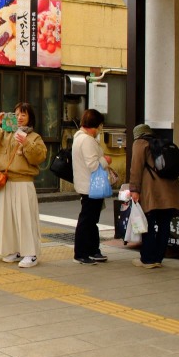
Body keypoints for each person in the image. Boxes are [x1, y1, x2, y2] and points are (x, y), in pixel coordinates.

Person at [0, 102, 48, 268]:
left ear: (30, 118)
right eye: (17, 114)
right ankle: (14, 249)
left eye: (23, 115)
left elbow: (39, 157)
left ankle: (30, 253)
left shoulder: (34, 137)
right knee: (8, 219)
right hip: (5, 181)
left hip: (23, 182)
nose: (19, 118)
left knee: (25, 219)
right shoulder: (4, 133)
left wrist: (25, 143)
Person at [128, 123, 179, 268]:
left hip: (152, 191)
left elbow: (136, 167)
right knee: (164, 225)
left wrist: (134, 189)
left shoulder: (140, 143)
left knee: (147, 224)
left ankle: (147, 259)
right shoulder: (163, 142)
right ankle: (158, 259)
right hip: (170, 191)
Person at [71, 108, 111, 265]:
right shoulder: (87, 140)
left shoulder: (80, 138)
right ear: (96, 125)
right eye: (100, 125)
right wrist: (106, 160)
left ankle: (93, 250)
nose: (100, 129)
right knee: (87, 220)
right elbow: (93, 165)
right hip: (90, 186)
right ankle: (81, 253)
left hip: (87, 185)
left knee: (91, 220)